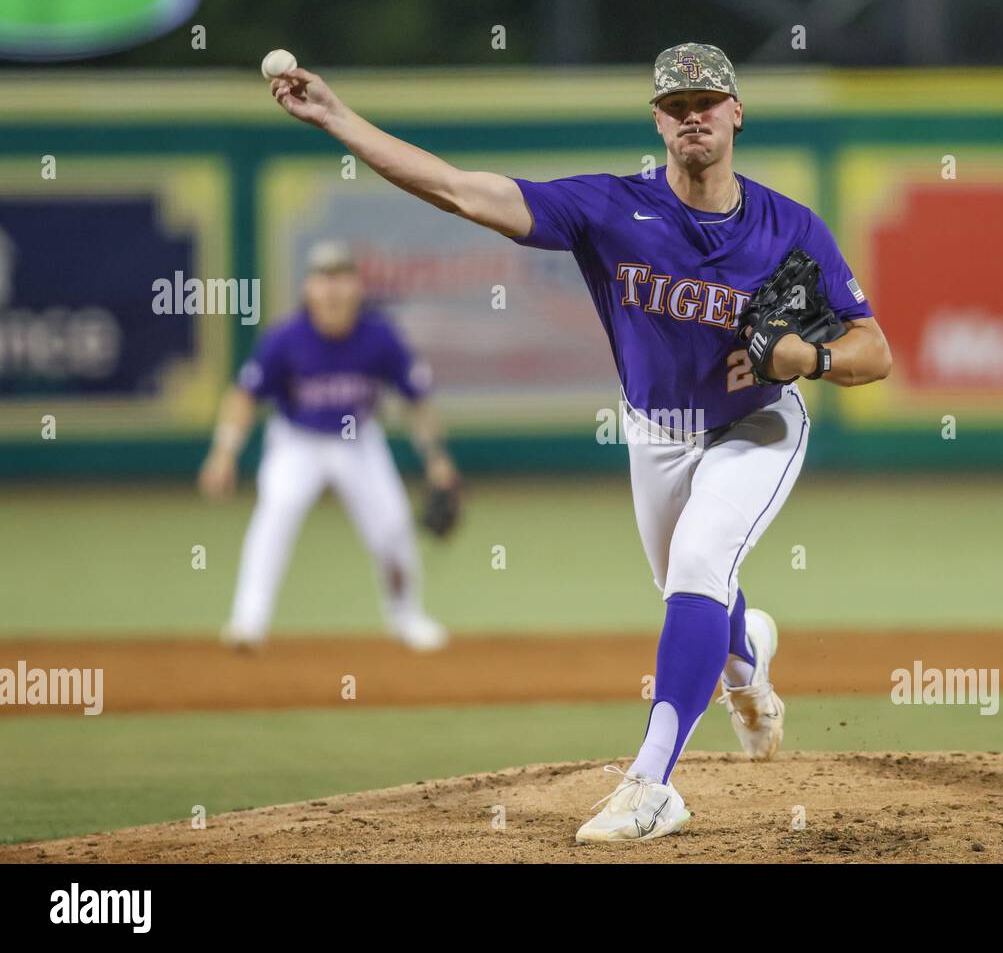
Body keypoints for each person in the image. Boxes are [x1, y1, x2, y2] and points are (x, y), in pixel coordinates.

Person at [266, 42, 892, 841]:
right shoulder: (608, 209)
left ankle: (652, 783)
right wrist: (337, 118)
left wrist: (816, 358)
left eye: (707, 102)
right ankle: (750, 660)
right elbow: (463, 192)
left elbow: (876, 349)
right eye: (676, 105)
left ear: (737, 112)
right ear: (658, 122)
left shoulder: (788, 226)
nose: (692, 115)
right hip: (656, 434)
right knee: (700, 588)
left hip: (759, 425)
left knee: (697, 567)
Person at [198, 240, 457, 652]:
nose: (333, 290)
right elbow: (244, 396)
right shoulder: (285, 338)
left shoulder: (379, 337)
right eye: (323, 279)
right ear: (308, 289)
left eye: (341, 278)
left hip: (359, 443)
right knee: (274, 519)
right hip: (297, 442)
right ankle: (248, 623)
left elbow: (416, 399)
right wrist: (224, 450)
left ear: (356, 287)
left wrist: (436, 458)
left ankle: (407, 618)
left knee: (393, 529)